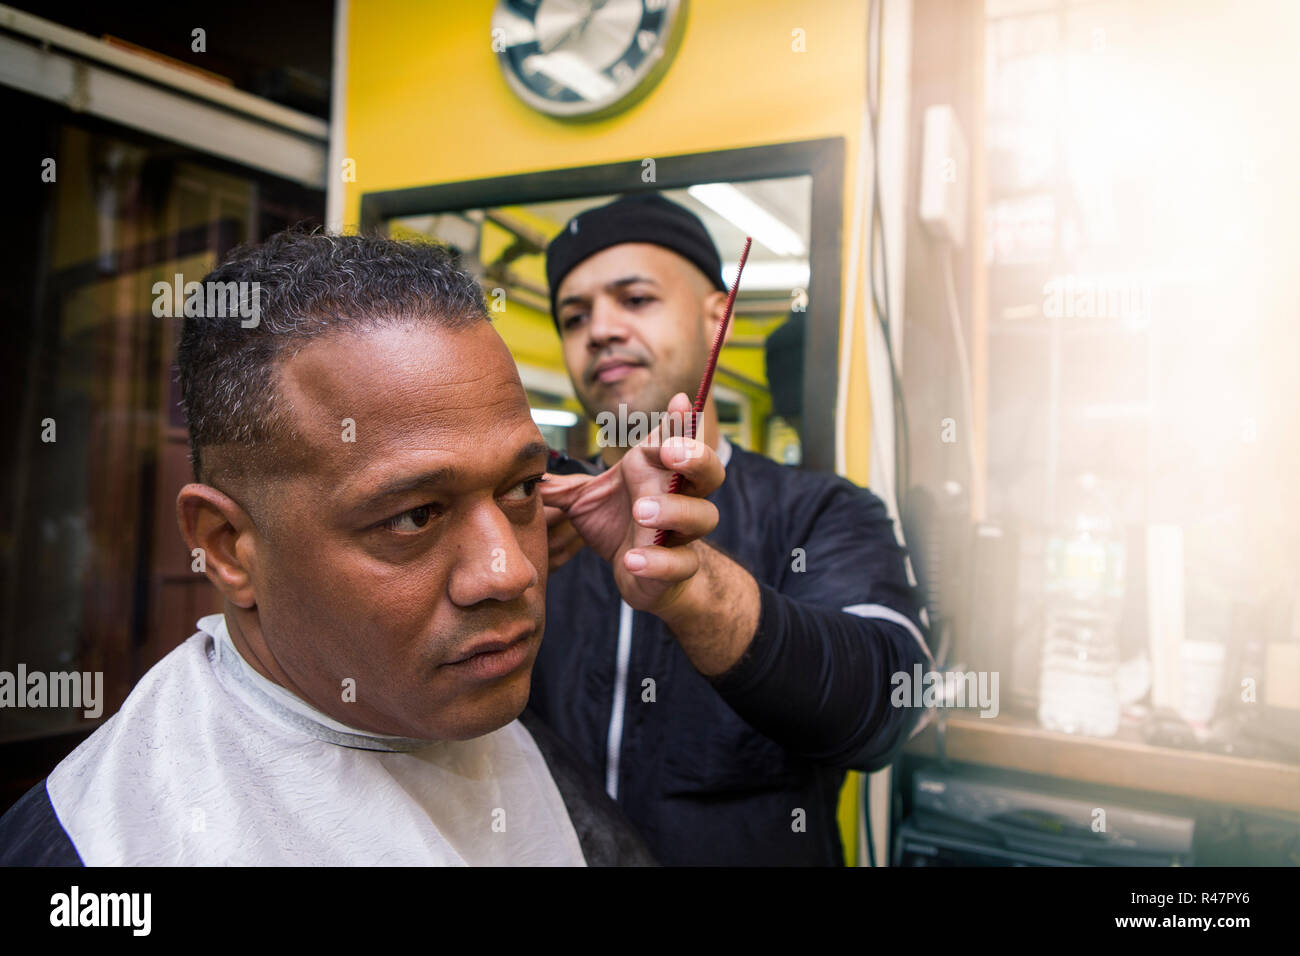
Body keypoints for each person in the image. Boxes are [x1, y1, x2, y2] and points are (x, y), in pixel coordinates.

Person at [0, 230, 723, 866]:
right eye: (413, 517)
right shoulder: (103, 849)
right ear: (226, 547)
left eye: (521, 489)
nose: (508, 572)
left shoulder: (487, 725)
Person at [533, 193, 936, 866]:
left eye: (634, 300)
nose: (600, 329)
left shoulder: (818, 511)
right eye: (575, 317)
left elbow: (892, 705)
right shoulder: (539, 522)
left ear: (717, 320)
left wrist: (696, 591)